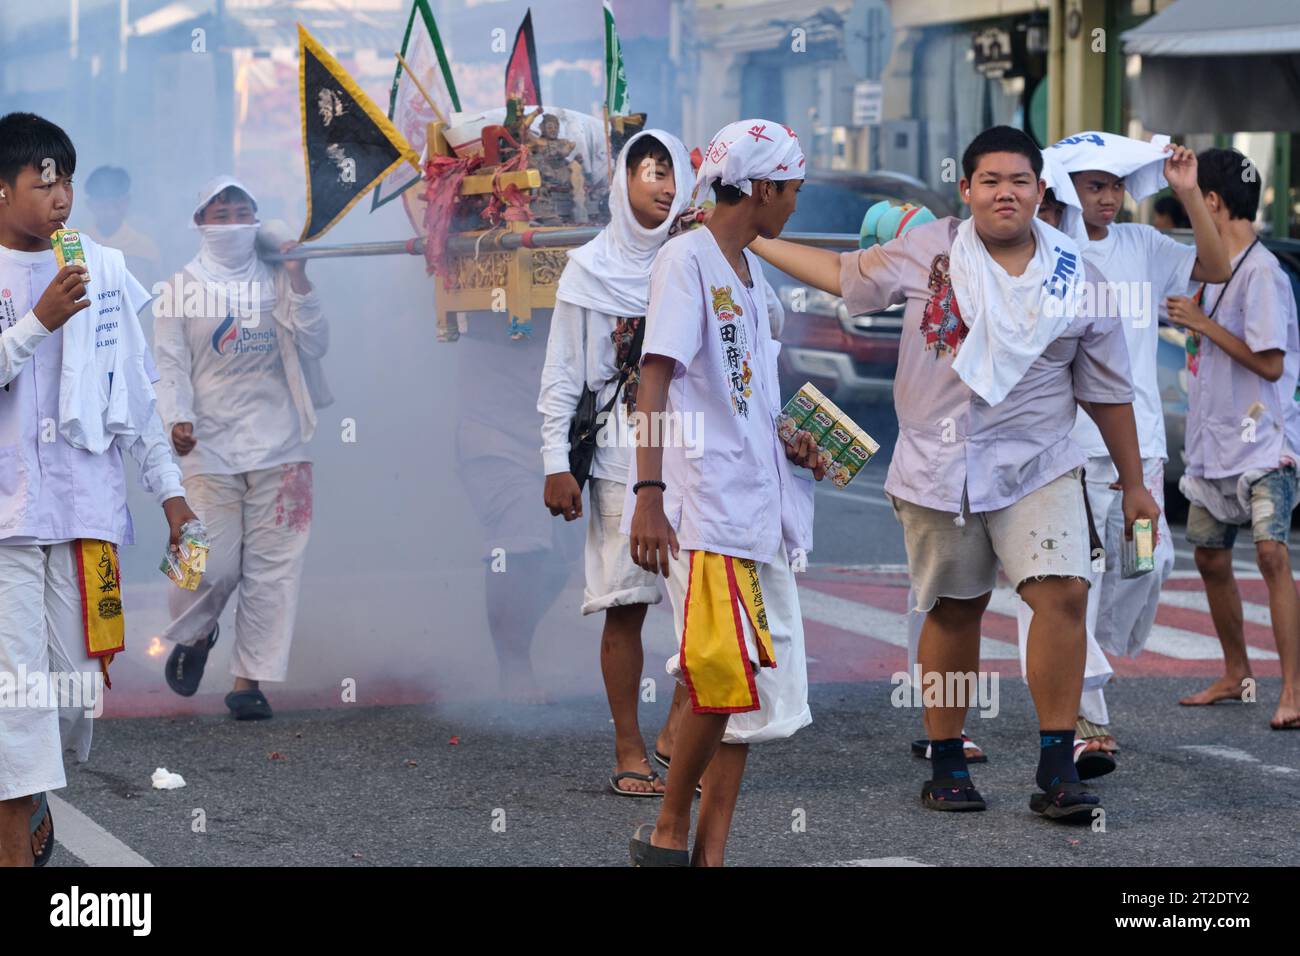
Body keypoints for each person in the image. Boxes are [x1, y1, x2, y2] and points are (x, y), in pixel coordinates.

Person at [750, 126, 1160, 820]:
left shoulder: (1078, 279)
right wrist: (748, 238)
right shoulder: (928, 249)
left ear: (1040, 192)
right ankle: (946, 763)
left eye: (1020, 181)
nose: (1006, 193)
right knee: (954, 609)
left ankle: (1058, 766)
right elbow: (845, 277)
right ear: (966, 189)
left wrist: (1136, 483)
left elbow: (1107, 391)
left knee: (1061, 594)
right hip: (940, 463)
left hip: (1039, 460)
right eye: (991, 181)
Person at [0, 112, 195, 865]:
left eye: (68, 179)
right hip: (9, 523)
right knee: (17, 701)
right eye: (43, 180)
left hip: (86, 516)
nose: (61, 195)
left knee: (77, 694)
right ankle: (18, 839)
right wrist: (36, 324)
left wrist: (171, 495)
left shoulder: (102, 267)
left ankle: (33, 791)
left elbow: (140, 396)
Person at [624, 119, 820, 866]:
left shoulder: (746, 267)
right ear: (764, 187)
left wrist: (790, 440)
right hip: (705, 509)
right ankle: (669, 835)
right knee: (719, 677)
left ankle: (711, 853)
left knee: (749, 698)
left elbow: (745, 396)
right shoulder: (687, 259)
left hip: (758, 510)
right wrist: (647, 492)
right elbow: (656, 378)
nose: (797, 204)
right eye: (794, 189)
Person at [1013, 133, 1230, 772]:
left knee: (1147, 564)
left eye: (1115, 185)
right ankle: (1083, 716)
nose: (1107, 198)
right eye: (1094, 186)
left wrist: (1188, 192)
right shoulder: (1051, 249)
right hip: (1066, 452)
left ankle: (1076, 677)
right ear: (1067, 189)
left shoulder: (1142, 245)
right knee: (1066, 582)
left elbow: (1215, 268)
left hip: (1139, 457)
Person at [538, 130, 696, 796]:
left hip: (697, 460)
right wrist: (555, 460)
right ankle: (629, 748)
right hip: (617, 461)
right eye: (647, 171)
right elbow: (562, 373)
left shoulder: (698, 257)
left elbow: (761, 326)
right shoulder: (589, 269)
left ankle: (678, 737)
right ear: (622, 183)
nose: (660, 184)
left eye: (669, 172)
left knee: (709, 613)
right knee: (625, 608)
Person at [152, 176, 329, 720]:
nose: (232, 222)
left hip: (282, 446)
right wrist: (176, 418)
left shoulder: (280, 275)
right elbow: (168, 366)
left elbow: (317, 342)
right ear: (199, 222)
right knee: (204, 563)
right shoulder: (176, 288)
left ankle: (248, 680)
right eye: (220, 212)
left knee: (274, 569)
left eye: (241, 212)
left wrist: (299, 278)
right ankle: (195, 634)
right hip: (207, 448)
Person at [1167, 147, 1300, 731]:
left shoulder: (1264, 272)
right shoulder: (1212, 264)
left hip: (1265, 439)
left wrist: (1202, 325)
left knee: (1272, 554)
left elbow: (1270, 365)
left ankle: (1293, 689)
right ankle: (1237, 672)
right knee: (1208, 555)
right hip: (1213, 440)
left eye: (1196, 201)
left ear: (1213, 201)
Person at [82, 165, 162, 290]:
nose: (110, 212)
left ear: (127, 202)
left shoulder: (144, 249)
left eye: (115, 204)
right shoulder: (79, 247)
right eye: (102, 205)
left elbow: (154, 296)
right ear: (90, 205)